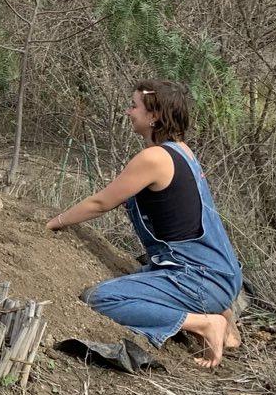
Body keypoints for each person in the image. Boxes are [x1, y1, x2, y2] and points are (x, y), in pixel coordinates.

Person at [46, 81, 244, 368]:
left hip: (197, 278)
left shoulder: (154, 158)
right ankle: (226, 319)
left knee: (101, 298)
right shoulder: (183, 152)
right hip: (221, 273)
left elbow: (101, 203)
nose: (128, 112)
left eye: (134, 106)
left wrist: (56, 221)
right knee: (143, 273)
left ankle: (204, 323)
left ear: (154, 116)